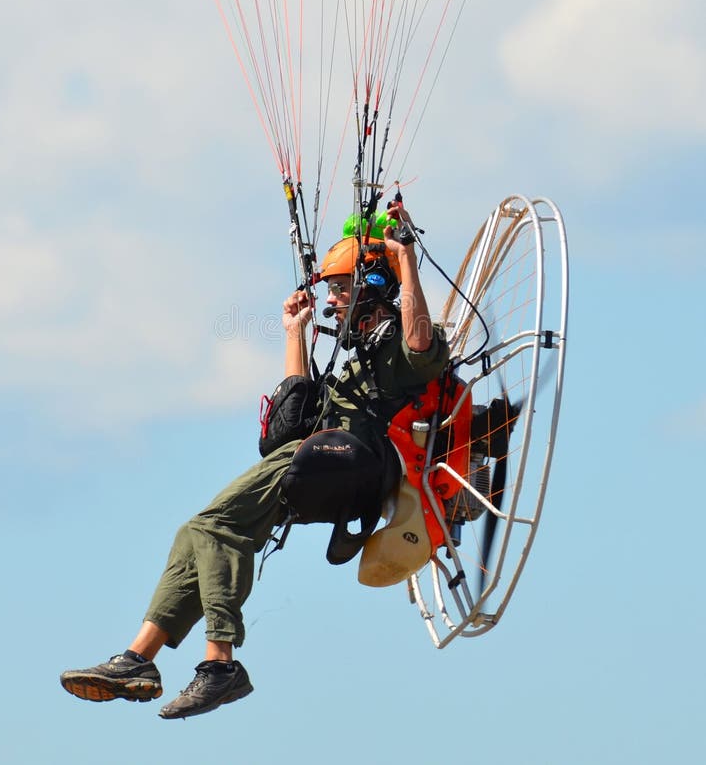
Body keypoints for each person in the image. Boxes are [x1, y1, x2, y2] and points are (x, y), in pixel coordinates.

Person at [60, 204, 449, 719]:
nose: (331, 302)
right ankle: (138, 658)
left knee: (215, 530)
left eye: (340, 289)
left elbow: (422, 344)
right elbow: (290, 424)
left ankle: (218, 666)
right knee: (195, 533)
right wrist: (294, 333)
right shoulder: (351, 362)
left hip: (356, 461)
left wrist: (406, 260)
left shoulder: (399, 349)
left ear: (372, 288)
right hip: (317, 460)